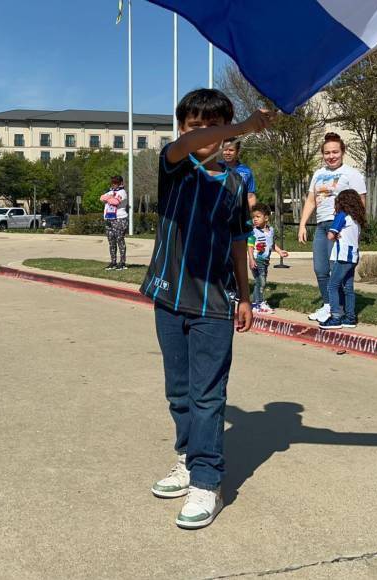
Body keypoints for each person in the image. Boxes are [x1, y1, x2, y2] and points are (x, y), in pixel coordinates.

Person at [140, 88, 274, 529]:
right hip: (169, 296)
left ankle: (206, 480)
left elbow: (239, 244)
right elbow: (183, 147)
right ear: (182, 129)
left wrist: (246, 296)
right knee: (178, 392)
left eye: (211, 126)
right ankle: (186, 457)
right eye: (194, 125)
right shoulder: (174, 167)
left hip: (215, 304)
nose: (203, 134)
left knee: (208, 396)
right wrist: (241, 126)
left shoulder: (236, 185)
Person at [298, 133, 366, 323]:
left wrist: (356, 232)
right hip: (321, 225)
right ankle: (329, 305)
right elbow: (311, 200)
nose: (331, 156)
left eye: (335, 152)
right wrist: (302, 224)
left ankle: (341, 310)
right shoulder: (318, 174)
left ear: (343, 151)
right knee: (320, 269)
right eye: (327, 153)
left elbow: (361, 204)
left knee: (335, 269)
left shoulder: (352, 174)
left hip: (341, 227)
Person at [319, 189, 366, 330]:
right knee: (348, 287)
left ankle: (335, 317)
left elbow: (330, 236)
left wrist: (334, 232)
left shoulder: (341, 216)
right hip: (353, 256)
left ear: (341, 203)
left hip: (343, 256)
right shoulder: (356, 219)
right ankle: (350, 318)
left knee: (332, 286)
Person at [247, 203, 288, 314]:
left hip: (265, 261)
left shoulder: (271, 230)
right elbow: (250, 247)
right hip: (257, 260)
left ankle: (256, 303)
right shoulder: (253, 232)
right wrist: (251, 259)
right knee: (261, 282)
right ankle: (259, 303)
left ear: (266, 217)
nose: (255, 219)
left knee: (259, 282)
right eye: (253, 217)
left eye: (258, 216)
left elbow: (272, 244)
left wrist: (280, 251)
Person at [100, 175, 128, 270]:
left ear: (120, 183)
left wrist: (108, 198)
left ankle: (123, 262)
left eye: (116, 183)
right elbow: (101, 198)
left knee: (120, 240)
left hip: (119, 219)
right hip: (109, 219)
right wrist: (109, 197)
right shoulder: (111, 191)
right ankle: (113, 262)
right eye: (113, 183)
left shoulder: (122, 192)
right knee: (111, 241)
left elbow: (115, 202)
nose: (114, 184)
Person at [221, 138, 257, 209]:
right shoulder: (215, 168)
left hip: (238, 214)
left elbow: (250, 196)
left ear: (237, 152)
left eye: (231, 150)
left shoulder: (246, 171)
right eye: (225, 149)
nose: (227, 153)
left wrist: (252, 215)